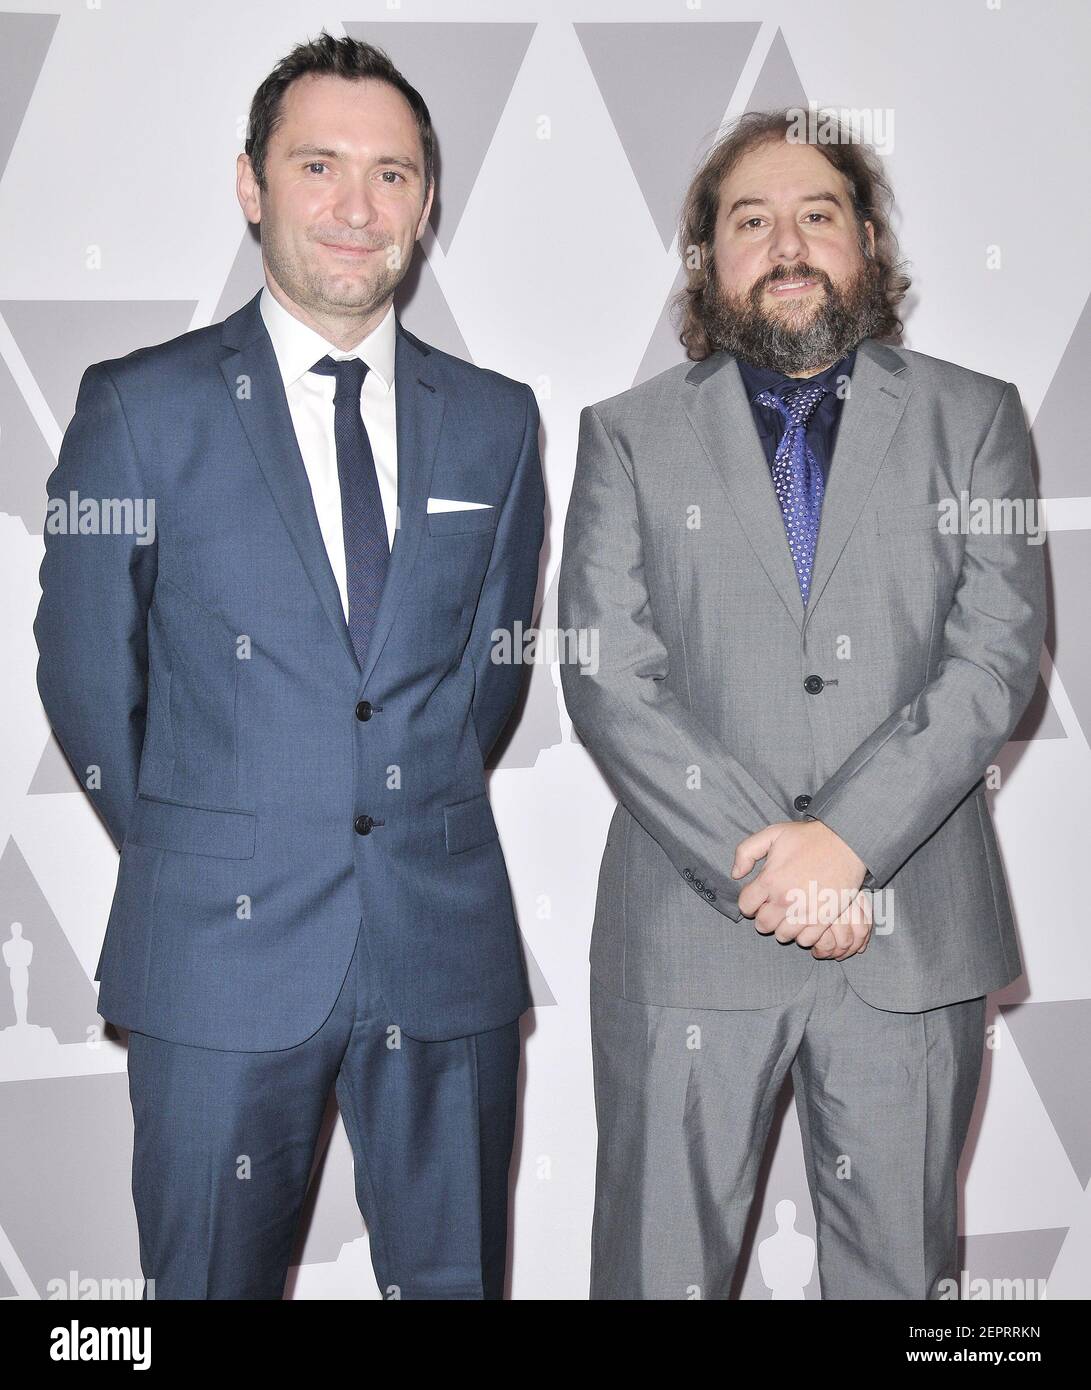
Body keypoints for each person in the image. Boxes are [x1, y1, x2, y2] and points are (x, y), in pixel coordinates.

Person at [34, 32, 544, 1300]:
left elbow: (486, 679)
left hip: (442, 948)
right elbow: (88, 678)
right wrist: (209, 843)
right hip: (215, 954)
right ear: (252, 183)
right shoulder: (139, 408)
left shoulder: (497, 420)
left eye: (392, 174)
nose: (356, 208)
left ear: (427, 202)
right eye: (318, 165)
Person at [558, 108, 1045, 1300]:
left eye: (816, 216)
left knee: (899, 1284)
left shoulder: (974, 419)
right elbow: (604, 669)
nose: (785, 244)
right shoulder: (623, 438)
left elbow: (995, 653)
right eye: (749, 222)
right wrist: (771, 863)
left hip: (910, 930)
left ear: (865, 246)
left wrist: (844, 845)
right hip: (686, 932)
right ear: (705, 260)